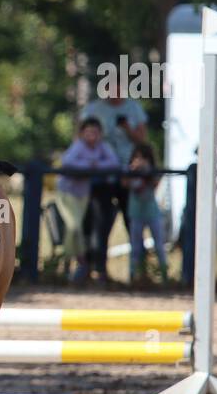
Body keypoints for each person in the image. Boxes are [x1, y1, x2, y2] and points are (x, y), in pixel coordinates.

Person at [81, 79, 149, 238]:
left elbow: (142, 139)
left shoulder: (134, 108)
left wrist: (127, 129)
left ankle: (138, 260)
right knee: (99, 222)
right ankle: (97, 260)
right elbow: (81, 138)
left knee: (132, 219)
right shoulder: (94, 109)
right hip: (102, 175)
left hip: (128, 173)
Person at [58, 117, 121, 283]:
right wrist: (91, 164)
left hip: (83, 194)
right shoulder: (79, 146)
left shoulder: (102, 147)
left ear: (100, 134)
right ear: (82, 134)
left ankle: (73, 262)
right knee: (74, 227)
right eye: (88, 132)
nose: (92, 136)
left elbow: (114, 162)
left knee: (82, 229)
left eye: (95, 132)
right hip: (68, 193)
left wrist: (94, 165)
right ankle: (77, 260)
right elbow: (67, 161)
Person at [124, 142, 168, 283]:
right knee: (135, 247)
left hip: (152, 212)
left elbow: (155, 183)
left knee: (159, 245)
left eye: (143, 158)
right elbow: (124, 183)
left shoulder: (152, 171)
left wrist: (146, 171)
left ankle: (164, 276)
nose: (140, 161)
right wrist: (133, 171)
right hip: (135, 212)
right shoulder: (129, 171)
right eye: (137, 157)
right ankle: (133, 276)